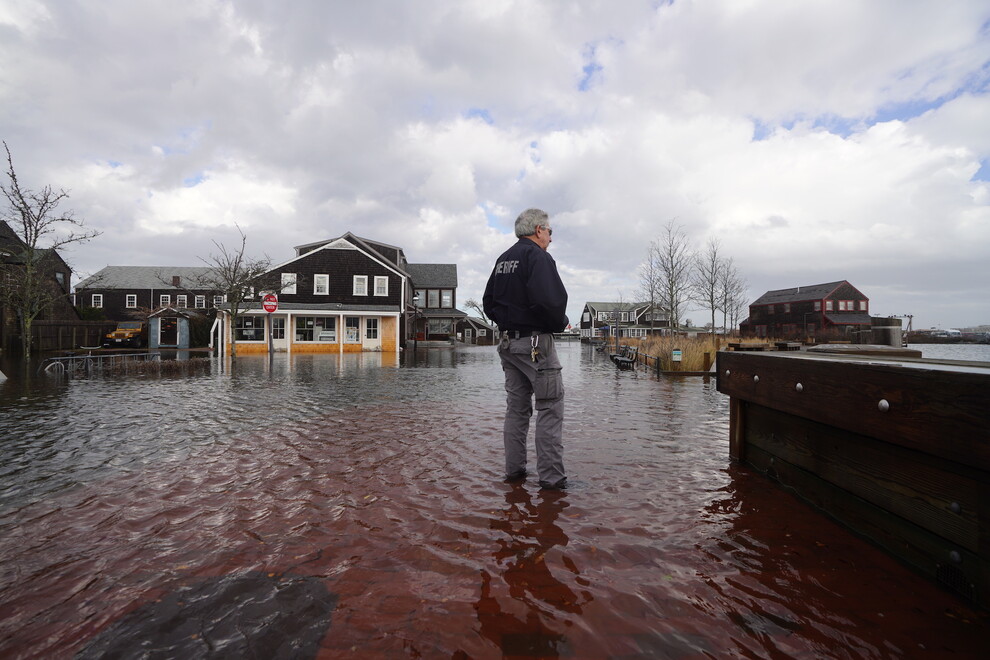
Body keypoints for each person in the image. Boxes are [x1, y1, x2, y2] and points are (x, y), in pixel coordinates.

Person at [483, 209, 569, 489]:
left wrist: (509, 321)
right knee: (550, 408)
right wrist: (560, 322)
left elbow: (488, 303)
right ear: (539, 229)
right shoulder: (538, 256)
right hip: (536, 345)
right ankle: (552, 482)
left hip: (508, 344)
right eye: (550, 232)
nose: (551, 238)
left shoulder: (503, 259)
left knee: (516, 410)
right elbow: (550, 302)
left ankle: (514, 473)